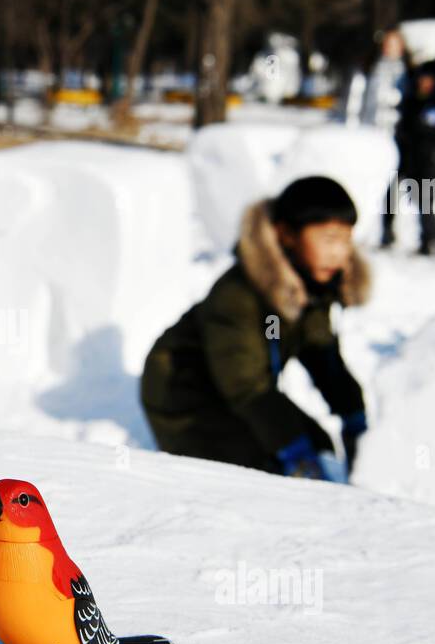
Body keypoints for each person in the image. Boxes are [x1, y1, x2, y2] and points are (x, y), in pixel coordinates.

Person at [140, 176, 370, 482]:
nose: (340, 253)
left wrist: (354, 417)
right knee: (264, 474)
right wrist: (294, 453)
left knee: (320, 446)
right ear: (286, 235)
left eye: (346, 240)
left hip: (243, 390)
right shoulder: (237, 296)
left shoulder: (310, 288)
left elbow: (323, 359)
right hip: (185, 396)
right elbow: (245, 386)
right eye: (329, 239)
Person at [382, 56, 435, 255]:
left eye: (428, 79)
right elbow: (403, 131)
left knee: (424, 202)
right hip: (410, 161)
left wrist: (429, 137)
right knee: (412, 200)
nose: (424, 83)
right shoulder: (412, 102)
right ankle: (426, 240)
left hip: (431, 162)